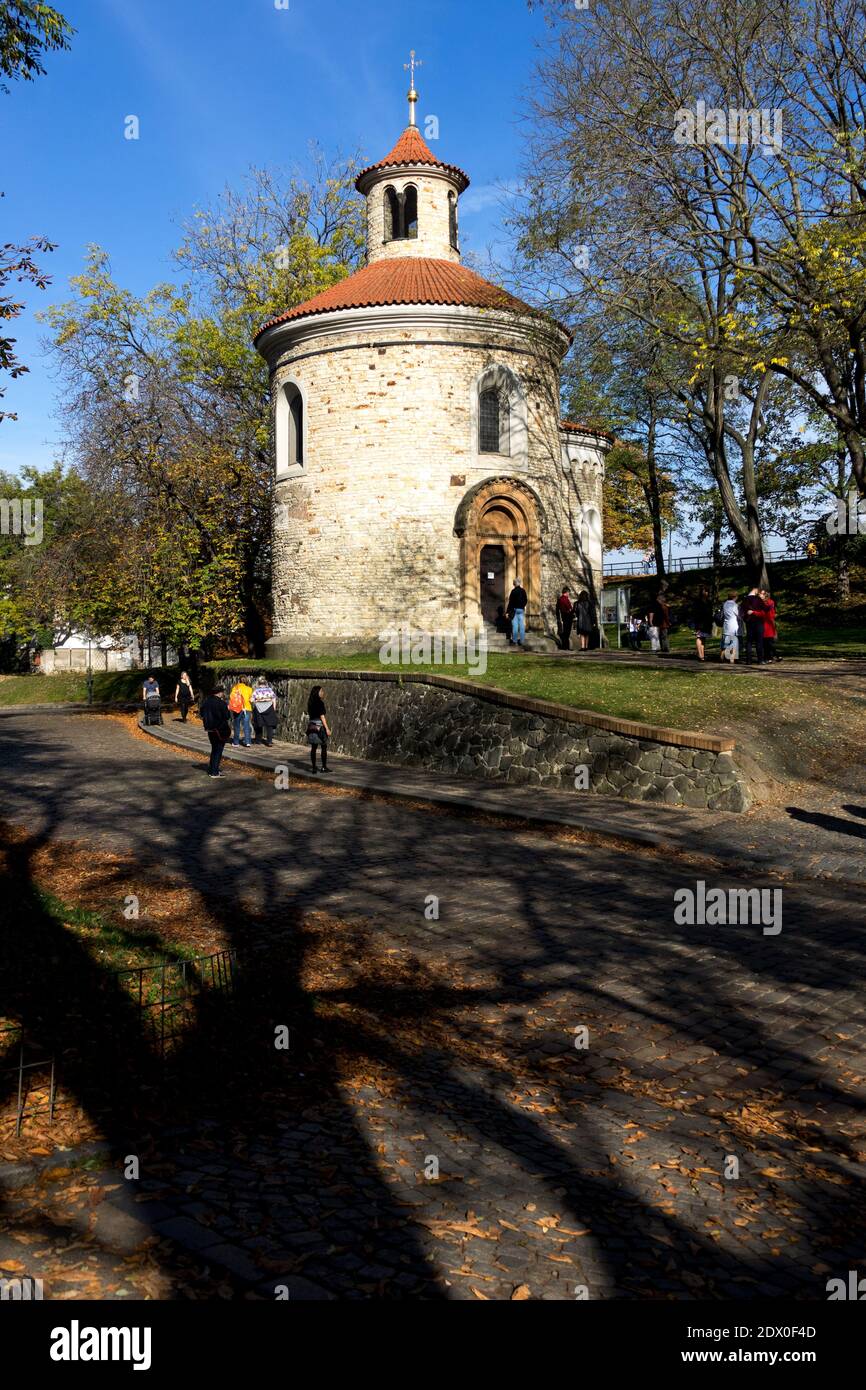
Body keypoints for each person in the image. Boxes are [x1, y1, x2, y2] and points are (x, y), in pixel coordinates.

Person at [200, 685, 231, 779]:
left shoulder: (206, 702)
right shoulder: (221, 703)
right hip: (219, 729)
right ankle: (214, 771)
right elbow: (227, 716)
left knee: (214, 749)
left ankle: (212, 769)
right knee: (218, 750)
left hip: (209, 728)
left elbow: (201, 713)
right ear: (220, 692)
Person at [307, 686, 332, 773]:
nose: (323, 693)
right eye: (321, 691)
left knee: (313, 747)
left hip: (311, 727)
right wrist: (327, 728)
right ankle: (323, 767)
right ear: (317, 692)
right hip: (320, 727)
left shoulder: (310, 702)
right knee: (324, 746)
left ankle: (314, 768)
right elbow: (322, 716)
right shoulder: (320, 703)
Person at [741, 586, 767, 665]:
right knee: (759, 641)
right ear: (755, 591)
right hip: (758, 622)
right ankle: (760, 660)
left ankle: (749, 660)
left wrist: (746, 619)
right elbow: (764, 611)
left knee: (749, 642)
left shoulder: (744, 600)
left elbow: (741, 613)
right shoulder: (759, 600)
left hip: (749, 623)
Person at [252, 676, 278, 747]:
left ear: (258, 683)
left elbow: (252, 700)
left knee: (259, 724)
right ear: (266, 683)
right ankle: (269, 741)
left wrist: (257, 701)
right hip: (269, 708)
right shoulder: (270, 690)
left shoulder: (256, 691)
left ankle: (258, 740)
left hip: (258, 709)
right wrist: (274, 708)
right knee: (270, 725)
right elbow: (274, 699)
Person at [228, 678, 254, 747]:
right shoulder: (249, 689)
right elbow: (251, 699)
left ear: (239, 681)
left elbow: (231, 697)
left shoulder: (235, 688)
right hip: (247, 708)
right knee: (246, 725)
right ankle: (247, 742)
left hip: (237, 708)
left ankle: (236, 742)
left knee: (237, 725)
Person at [691, 588, 714, 663]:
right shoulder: (697, 602)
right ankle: (700, 655)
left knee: (704, 638)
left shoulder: (709, 602)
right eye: (705, 591)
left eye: (707, 591)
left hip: (707, 623)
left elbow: (710, 612)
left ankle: (702, 655)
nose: (706, 593)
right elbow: (695, 613)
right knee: (699, 637)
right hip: (699, 622)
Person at [649, 584, 672, 654]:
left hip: (659, 622)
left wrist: (650, 620)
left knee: (659, 636)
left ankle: (660, 648)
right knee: (663, 636)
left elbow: (651, 613)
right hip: (662, 622)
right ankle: (664, 648)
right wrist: (668, 622)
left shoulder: (659, 605)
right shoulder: (663, 606)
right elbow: (666, 615)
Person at [506, 578, 529, 648]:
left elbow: (510, 602)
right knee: (521, 625)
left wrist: (507, 611)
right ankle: (522, 641)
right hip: (521, 609)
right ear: (520, 583)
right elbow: (526, 600)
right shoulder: (523, 591)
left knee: (515, 625)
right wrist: (522, 606)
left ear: (514, 584)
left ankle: (515, 641)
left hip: (514, 610)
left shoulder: (513, 591)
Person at [720, 592, 740, 664]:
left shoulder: (724, 604)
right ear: (735, 597)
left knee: (725, 643)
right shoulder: (734, 605)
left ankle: (722, 657)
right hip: (733, 626)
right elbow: (738, 615)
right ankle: (732, 659)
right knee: (733, 642)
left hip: (726, 626)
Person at [760, 589, 779, 662]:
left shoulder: (767, 603)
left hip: (766, 623)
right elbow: (773, 613)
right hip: (769, 622)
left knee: (767, 642)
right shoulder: (770, 602)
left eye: (762, 594)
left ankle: (770, 657)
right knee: (769, 641)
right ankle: (771, 656)